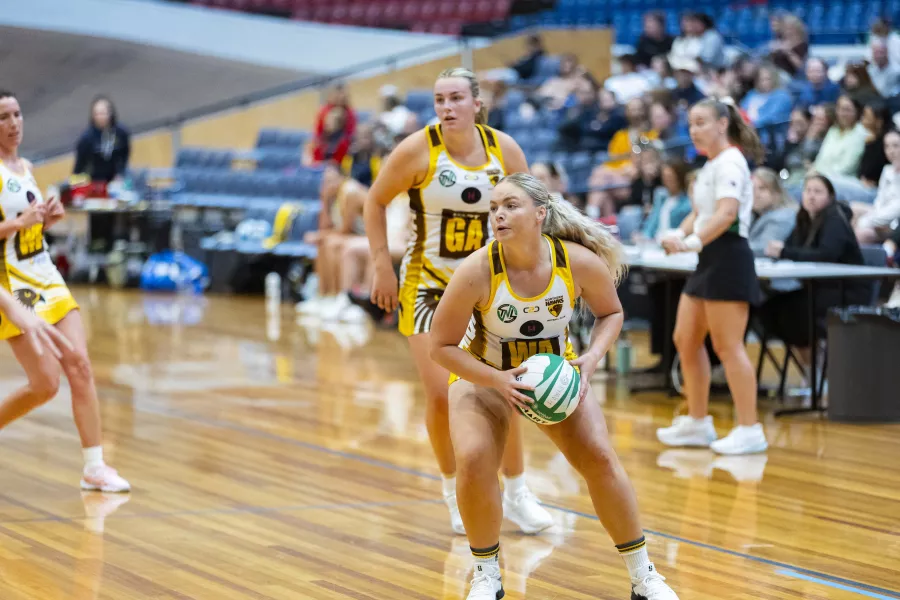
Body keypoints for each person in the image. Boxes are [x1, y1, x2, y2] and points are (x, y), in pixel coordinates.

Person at [429, 173, 678, 600]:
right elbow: (441, 346)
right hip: (487, 373)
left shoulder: (576, 261)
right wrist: (496, 380)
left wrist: (592, 358)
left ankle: (644, 576)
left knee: (600, 457)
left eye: (510, 205)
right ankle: (487, 574)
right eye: (493, 208)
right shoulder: (477, 270)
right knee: (472, 459)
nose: (498, 214)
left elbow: (611, 313)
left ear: (540, 214)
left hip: (555, 372)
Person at [364, 68, 553, 535]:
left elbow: (532, 212)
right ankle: (452, 493)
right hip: (427, 285)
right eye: (439, 99)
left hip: (487, 288)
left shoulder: (503, 150)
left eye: (455, 98)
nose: (446, 107)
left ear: (476, 103)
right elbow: (374, 200)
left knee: (503, 392)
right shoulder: (417, 149)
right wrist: (380, 265)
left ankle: (518, 492)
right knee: (441, 394)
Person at [0, 90, 130, 492]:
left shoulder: (26, 166)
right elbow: (13, 228)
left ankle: (95, 466)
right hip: (13, 283)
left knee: (81, 364)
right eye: (4, 117)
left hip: (44, 272)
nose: (14, 123)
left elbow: (28, 230)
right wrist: (19, 224)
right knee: (45, 384)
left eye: (18, 113)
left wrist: (47, 220)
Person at [656, 98, 768, 456]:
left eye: (701, 122)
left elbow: (726, 215)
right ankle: (698, 422)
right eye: (691, 123)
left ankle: (750, 429)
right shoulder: (710, 166)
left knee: (728, 346)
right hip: (708, 257)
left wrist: (691, 241)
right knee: (685, 339)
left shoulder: (732, 161)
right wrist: (678, 232)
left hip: (730, 256)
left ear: (722, 124)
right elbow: (701, 214)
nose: (694, 130)